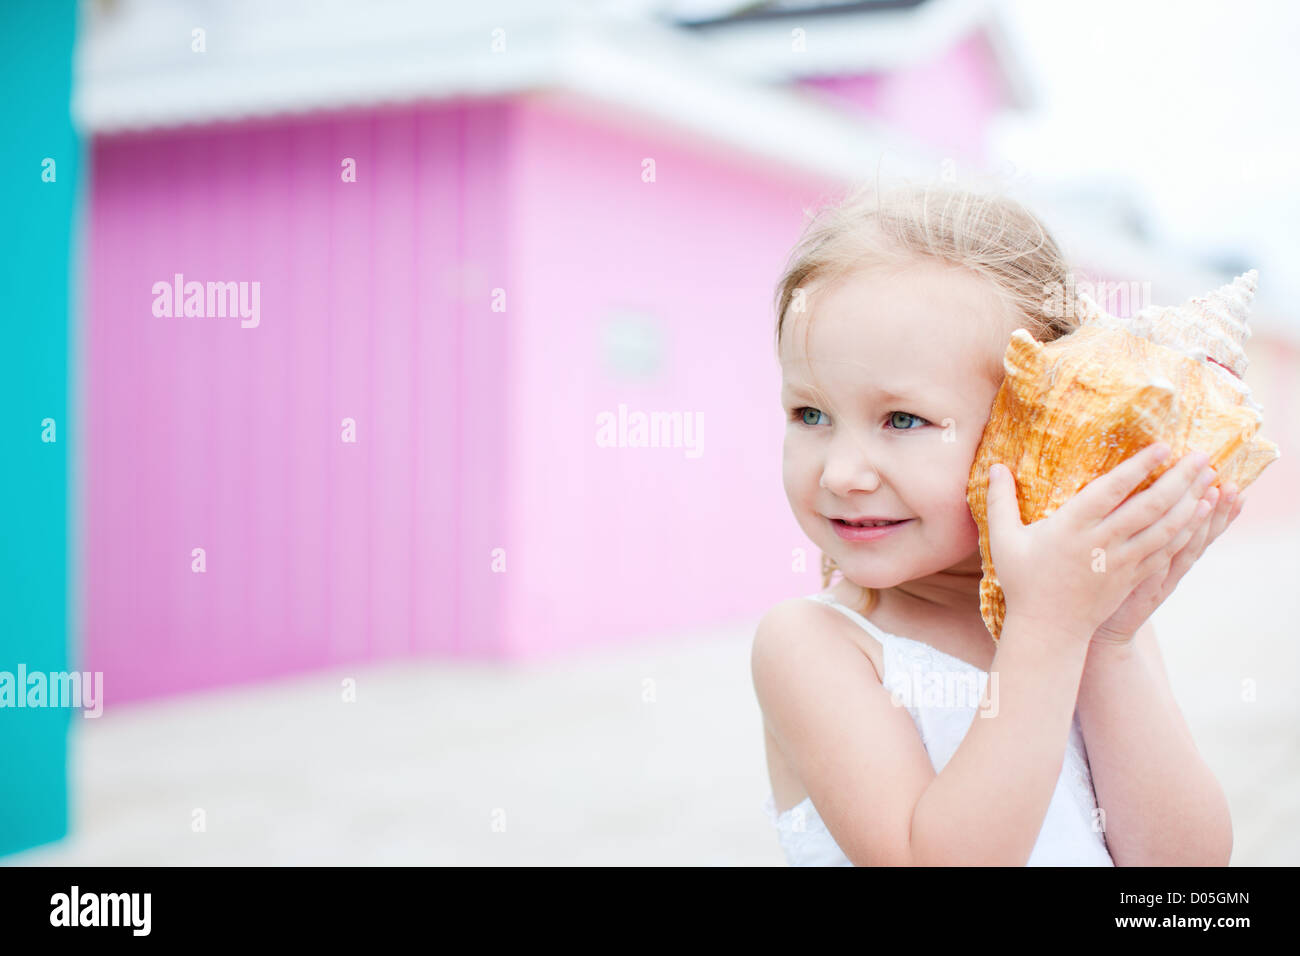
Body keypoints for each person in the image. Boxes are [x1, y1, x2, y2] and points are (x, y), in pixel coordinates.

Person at [753, 181, 1244, 866]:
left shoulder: (1088, 616)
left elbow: (1182, 872)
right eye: (810, 414)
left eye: (902, 420)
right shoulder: (814, 646)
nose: (840, 474)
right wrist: (1045, 635)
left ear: (1028, 428)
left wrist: (1105, 641)